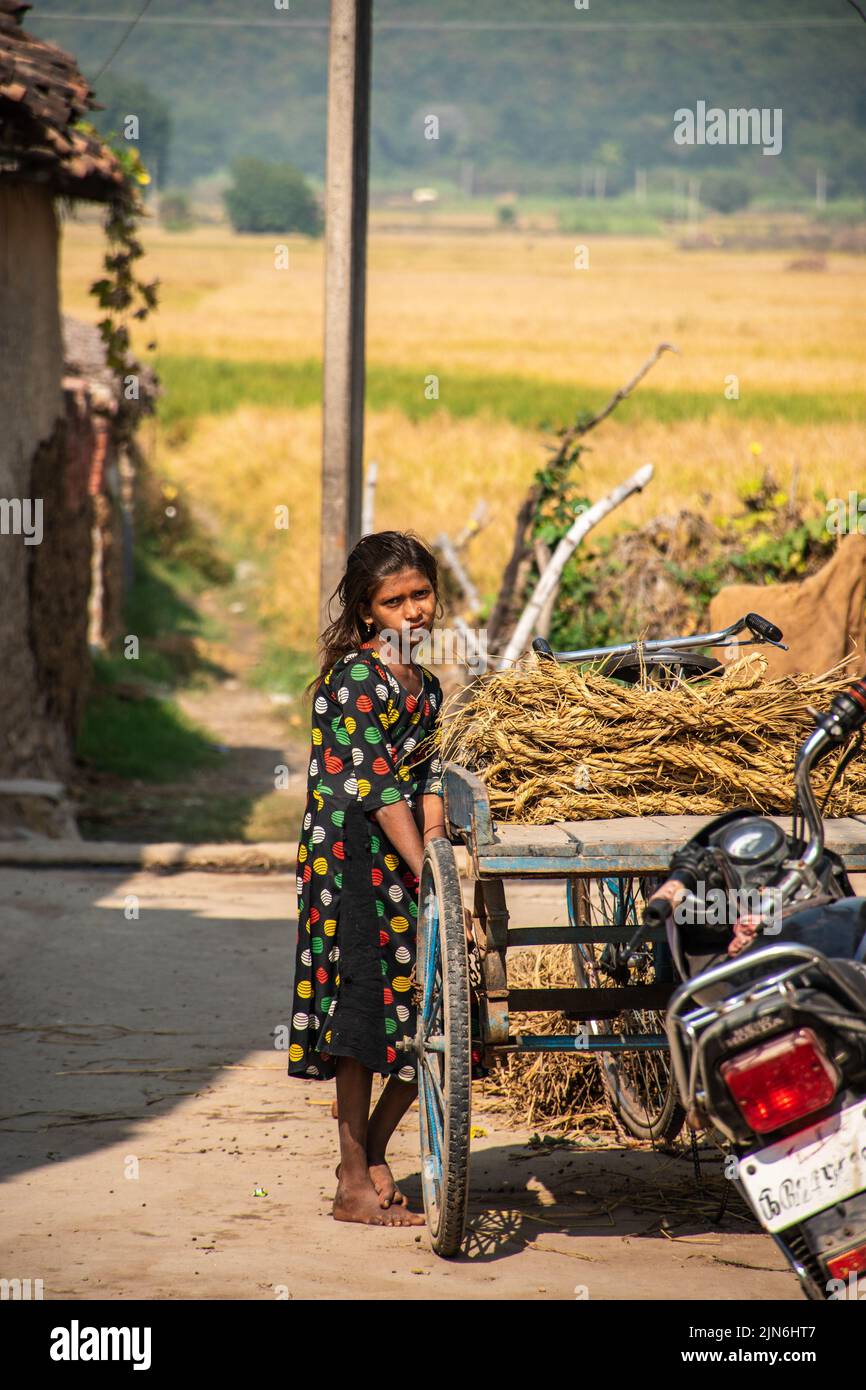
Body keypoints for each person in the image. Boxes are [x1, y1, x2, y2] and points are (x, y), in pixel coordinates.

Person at [288, 531, 447, 1227]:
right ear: (367, 612)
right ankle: (352, 1185)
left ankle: (371, 1148)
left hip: (405, 851)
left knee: (434, 1007)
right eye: (394, 600)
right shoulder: (357, 680)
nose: (413, 610)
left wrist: (439, 857)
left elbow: (431, 781)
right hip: (352, 857)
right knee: (360, 1017)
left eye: (420, 594)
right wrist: (428, 872)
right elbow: (380, 790)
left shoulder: (428, 684)